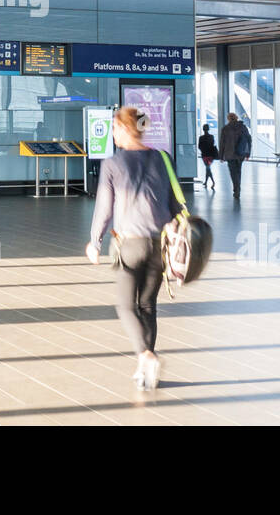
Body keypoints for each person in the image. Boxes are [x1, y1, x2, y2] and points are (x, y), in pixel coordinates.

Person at [86, 106, 185, 392]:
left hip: (129, 244)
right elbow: (175, 203)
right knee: (148, 306)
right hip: (158, 245)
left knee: (125, 305)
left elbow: (104, 208)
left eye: (116, 128)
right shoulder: (163, 159)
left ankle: (146, 355)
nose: (113, 133)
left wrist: (95, 242)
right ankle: (145, 370)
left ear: (127, 128)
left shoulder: (113, 163)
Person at [218, 112, 251, 201]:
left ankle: (236, 189)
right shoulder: (243, 127)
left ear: (228, 119)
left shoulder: (225, 129)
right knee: (238, 171)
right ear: (236, 118)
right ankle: (237, 188)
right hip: (241, 154)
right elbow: (249, 140)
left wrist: (221, 156)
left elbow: (222, 143)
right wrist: (248, 153)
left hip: (230, 155)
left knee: (233, 173)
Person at [197, 123, 217, 190]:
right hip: (211, 155)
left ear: (203, 129)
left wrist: (203, 150)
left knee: (208, 168)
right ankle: (206, 182)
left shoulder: (201, 138)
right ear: (208, 129)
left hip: (204, 155)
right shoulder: (211, 137)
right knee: (207, 168)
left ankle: (213, 182)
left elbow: (199, 146)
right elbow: (213, 144)